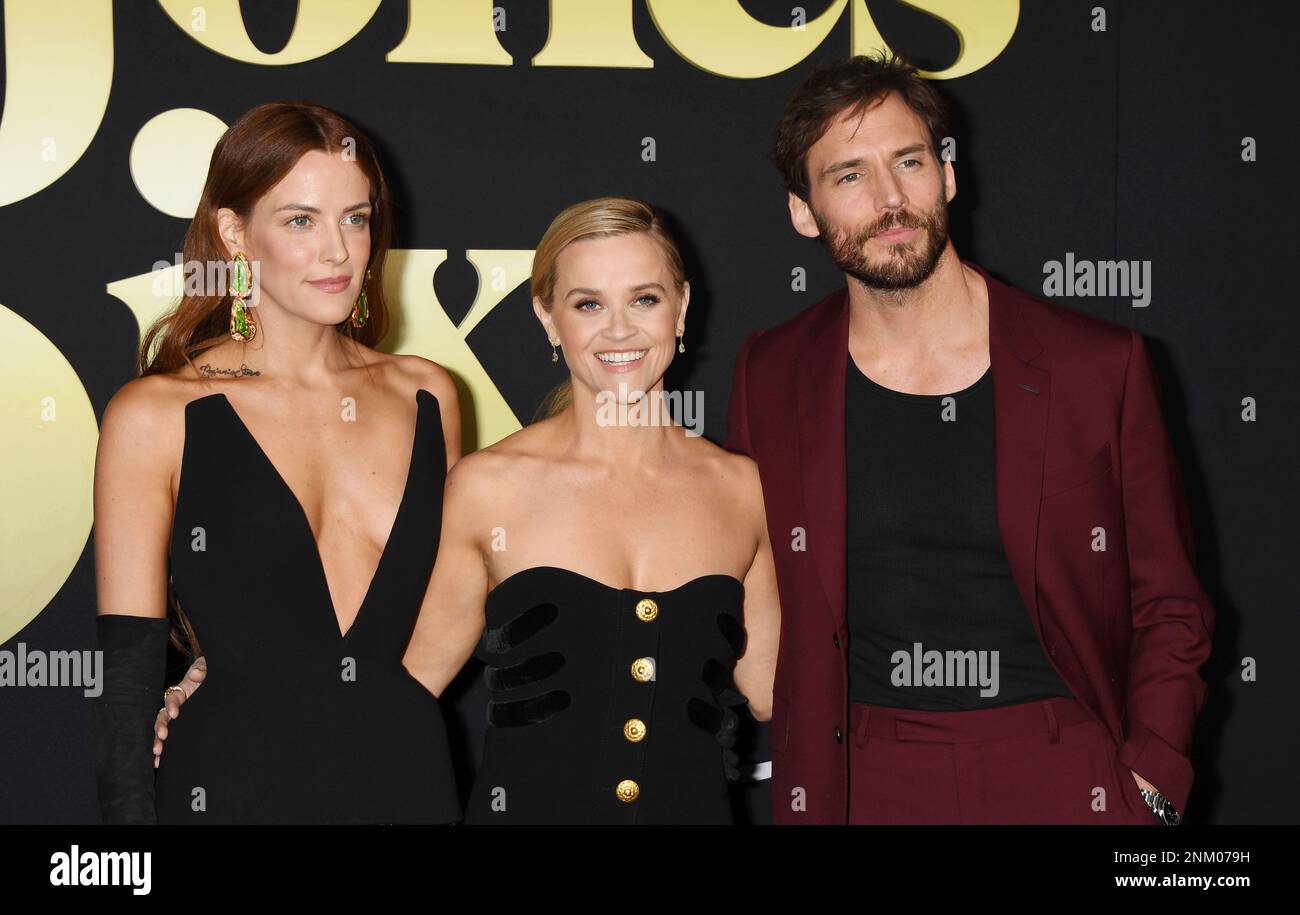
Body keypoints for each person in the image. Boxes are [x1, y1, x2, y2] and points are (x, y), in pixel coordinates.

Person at [725, 52, 1214, 824]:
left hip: (1067, 767)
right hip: (861, 772)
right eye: (849, 175)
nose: (890, 199)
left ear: (947, 175)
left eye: (909, 161)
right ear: (804, 210)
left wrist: (1149, 779)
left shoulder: (1096, 366)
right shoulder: (771, 372)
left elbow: (1171, 600)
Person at [92, 101, 463, 824]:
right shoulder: (156, 414)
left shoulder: (427, 396)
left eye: (356, 219)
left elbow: (459, 614)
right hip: (231, 788)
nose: (338, 252)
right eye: (301, 221)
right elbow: (127, 692)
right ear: (235, 233)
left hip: (407, 781)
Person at [403, 196, 781, 823]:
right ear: (547, 319)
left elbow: (773, 692)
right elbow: (406, 691)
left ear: (681, 308)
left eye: (644, 298)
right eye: (587, 305)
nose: (619, 331)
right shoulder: (489, 487)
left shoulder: (743, 489)